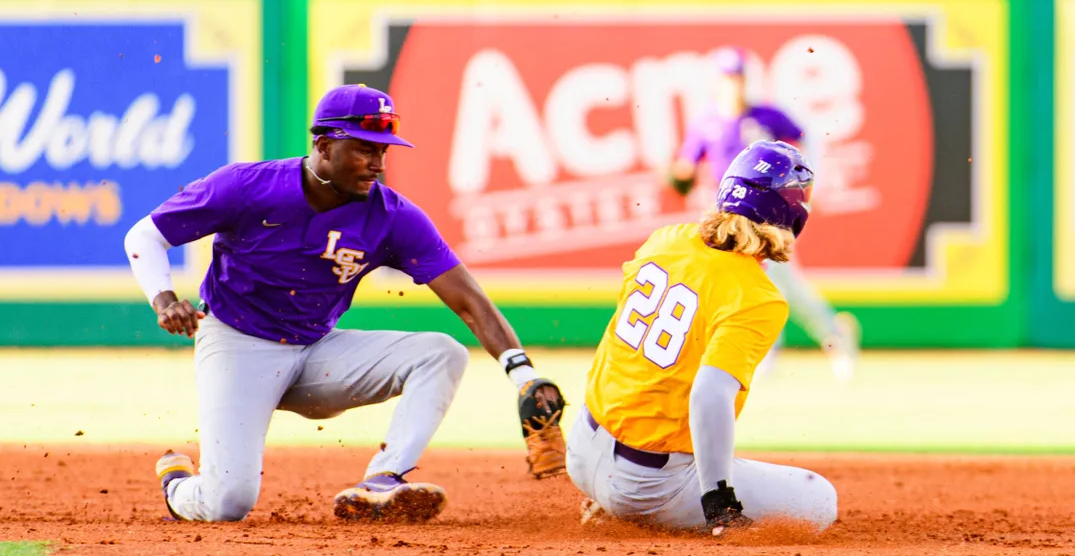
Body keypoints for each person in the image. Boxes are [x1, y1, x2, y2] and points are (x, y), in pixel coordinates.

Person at [125, 84, 568, 523]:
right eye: (364, 149)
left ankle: (383, 480)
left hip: (317, 352)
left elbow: (470, 300)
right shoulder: (247, 186)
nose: (378, 163)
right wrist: (164, 300)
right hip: (239, 345)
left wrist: (525, 376)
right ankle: (177, 484)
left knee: (442, 352)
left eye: (383, 151)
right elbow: (144, 236)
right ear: (323, 145)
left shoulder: (393, 217)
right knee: (228, 503)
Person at [567, 140, 838, 536]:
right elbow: (710, 394)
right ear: (789, 212)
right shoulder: (757, 296)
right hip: (647, 485)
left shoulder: (666, 239)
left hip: (582, 447)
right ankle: (641, 502)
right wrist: (718, 500)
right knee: (819, 498)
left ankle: (608, 496)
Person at [668, 46, 859, 382]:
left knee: (779, 283)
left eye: (738, 76)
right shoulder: (706, 121)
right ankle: (779, 350)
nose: (734, 83)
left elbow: (807, 139)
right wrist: (676, 173)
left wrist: (809, 184)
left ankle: (827, 338)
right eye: (728, 77)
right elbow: (686, 166)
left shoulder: (765, 116)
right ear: (718, 81)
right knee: (749, 284)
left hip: (770, 215)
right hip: (730, 215)